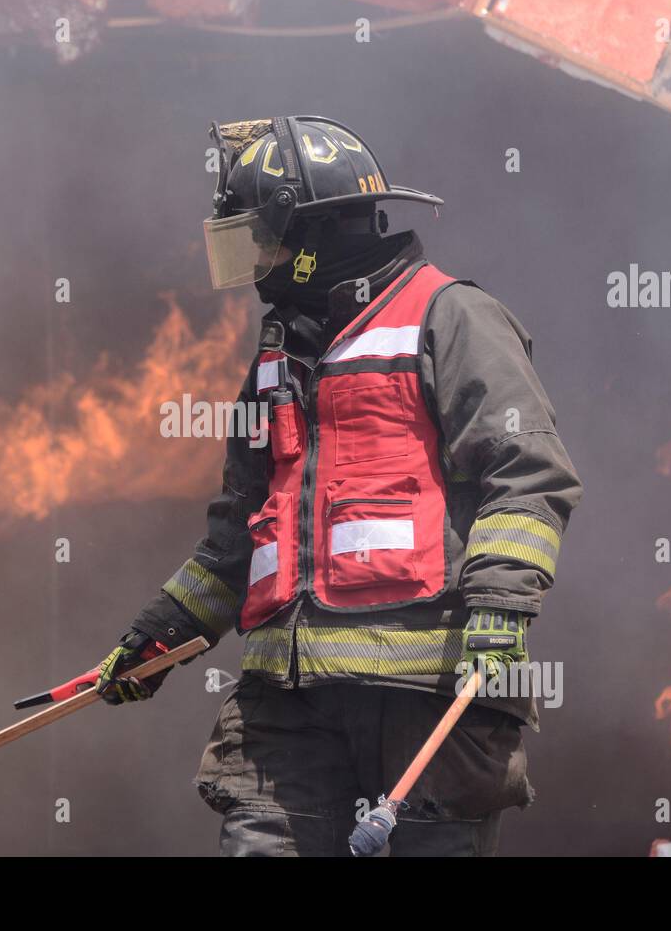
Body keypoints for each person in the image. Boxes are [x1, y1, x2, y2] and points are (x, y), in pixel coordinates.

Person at [96, 116, 582, 856]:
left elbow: (528, 474)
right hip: (285, 718)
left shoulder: (450, 317)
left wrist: (502, 606)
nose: (257, 257)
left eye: (263, 236)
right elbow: (237, 540)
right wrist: (159, 634)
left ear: (311, 231)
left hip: (423, 703)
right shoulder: (273, 360)